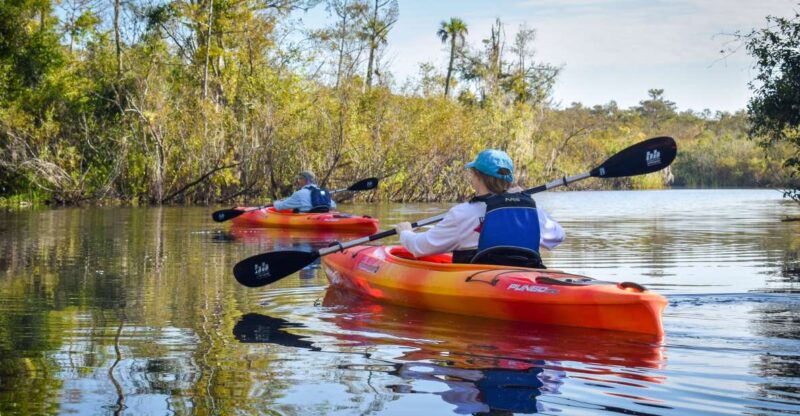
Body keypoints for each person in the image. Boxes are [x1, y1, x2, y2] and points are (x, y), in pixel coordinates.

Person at [394, 149, 564, 267]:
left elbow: (420, 247)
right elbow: (557, 237)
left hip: (478, 278)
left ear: (476, 176)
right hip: (520, 275)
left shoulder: (462, 213)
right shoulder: (530, 209)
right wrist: (528, 202)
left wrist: (405, 232)